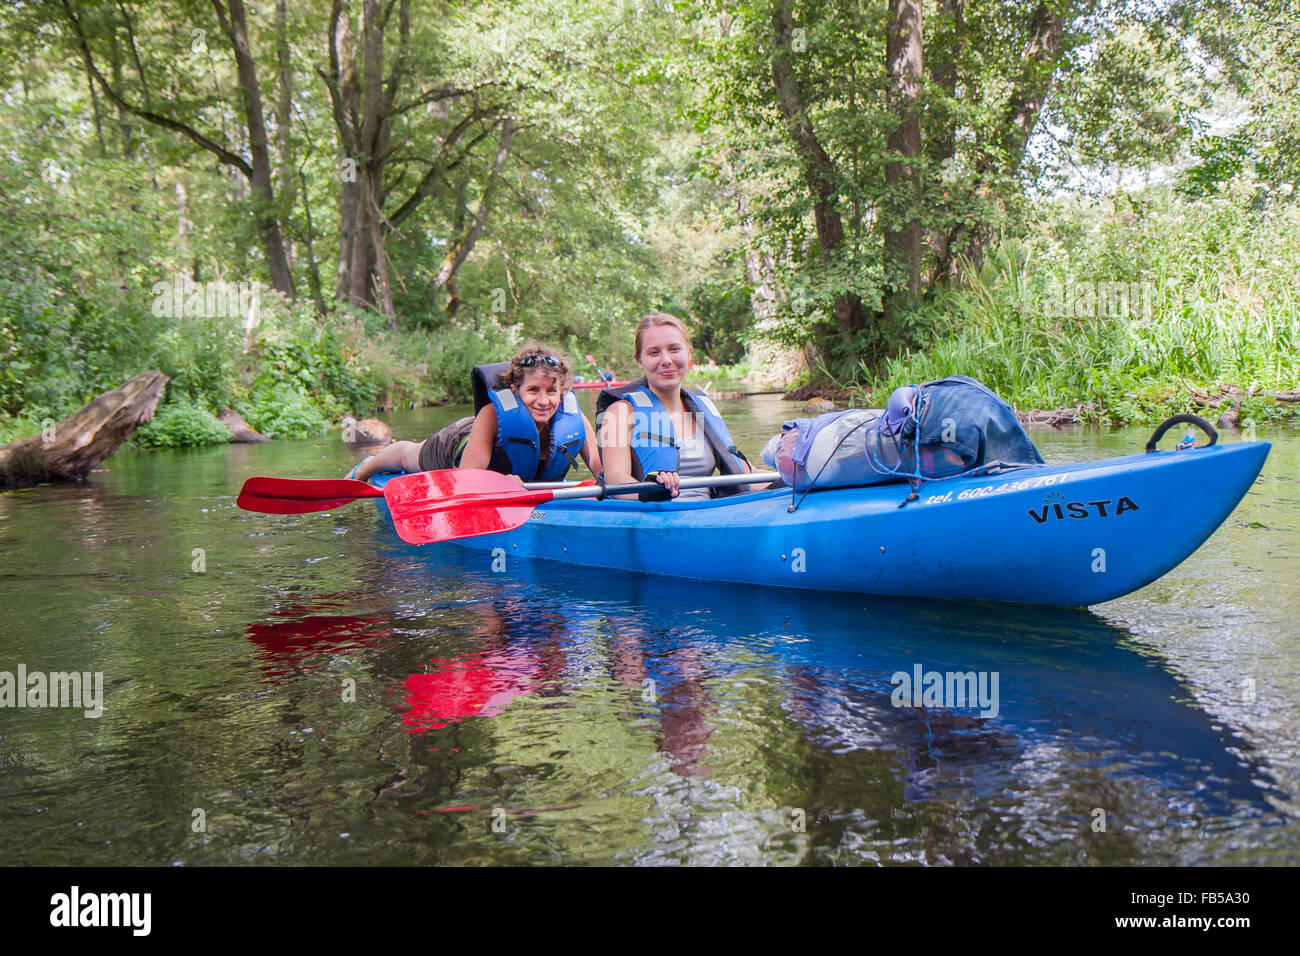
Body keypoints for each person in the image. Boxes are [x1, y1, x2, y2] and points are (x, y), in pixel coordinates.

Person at [350, 344, 601, 485]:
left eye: (551, 391)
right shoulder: (492, 414)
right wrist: (501, 483)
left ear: (562, 391)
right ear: (514, 390)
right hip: (460, 443)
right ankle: (365, 467)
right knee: (409, 456)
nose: (544, 400)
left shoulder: (575, 421)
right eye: (533, 390)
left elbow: (602, 471)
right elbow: (467, 479)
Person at [597, 312, 767, 500]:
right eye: (654, 352)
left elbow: (746, 474)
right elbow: (615, 480)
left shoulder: (704, 407)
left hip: (709, 514)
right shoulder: (620, 412)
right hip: (653, 515)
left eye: (674, 349)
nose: (666, 360)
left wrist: (791, 477)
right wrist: (648, 492)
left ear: (689, 353)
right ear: (639, 360)